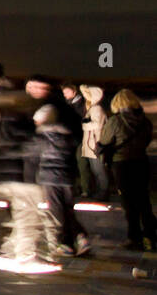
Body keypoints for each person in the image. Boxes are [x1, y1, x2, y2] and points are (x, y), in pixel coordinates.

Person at [0, 81, 40, 264]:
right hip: (16, 178)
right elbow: (28, 149)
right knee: (25, 217)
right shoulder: (22, 121)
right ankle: (22, 254)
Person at [97, 90, 156, 251]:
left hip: (122, 165)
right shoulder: (144, 121)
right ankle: (150, 236)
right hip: (141, 162)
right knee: (144, 200)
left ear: (116, 104)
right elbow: (147, 140)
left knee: (129, 203)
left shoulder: (115, 121)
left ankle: (134, 237)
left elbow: (104, 141)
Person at [34, 104, 88, 258]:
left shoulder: (41, 136)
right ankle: (79, 239)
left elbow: (33, 156)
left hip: (50, 177)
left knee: (57, 211)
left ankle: (67, 244)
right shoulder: (67, 135)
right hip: (68, 177)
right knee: (67, 209)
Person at [78, 85, 110, 201]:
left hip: (95, 144)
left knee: (99, 170)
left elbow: (97, 124)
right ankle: (100, 192)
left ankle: (103, 192)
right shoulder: (93, 108)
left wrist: (84, 124)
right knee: (96, 170)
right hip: (92, 143)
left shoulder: (96, 109)